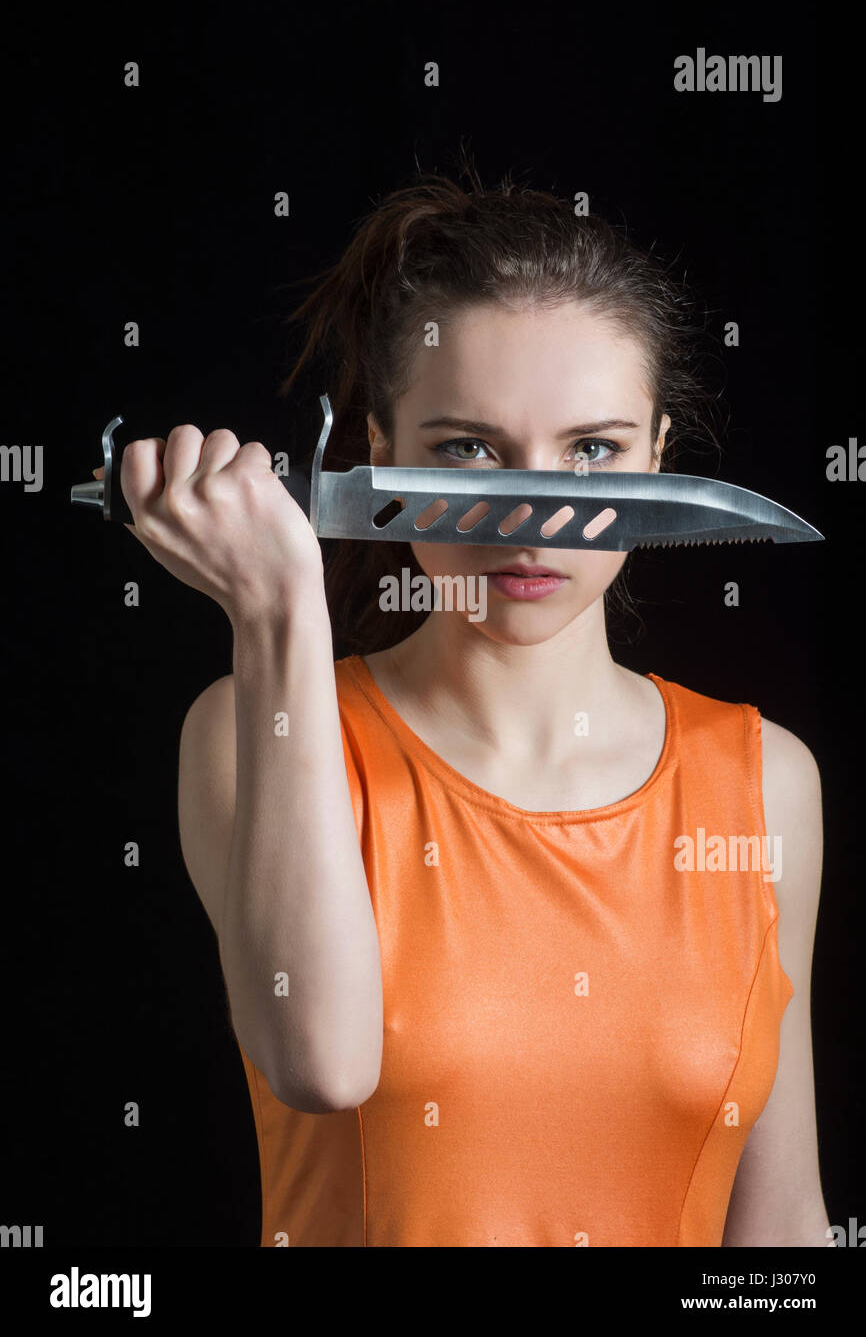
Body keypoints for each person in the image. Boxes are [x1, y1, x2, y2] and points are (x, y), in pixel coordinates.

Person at [112, 163, 829, 1247]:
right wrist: (274, 610)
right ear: (380, 453)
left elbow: (779, 1232)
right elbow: (322, 1060)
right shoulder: (256, 729)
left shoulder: (764, 782)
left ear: (658, 457)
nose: (529, 520)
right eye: (467, 450)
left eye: (590, 452)